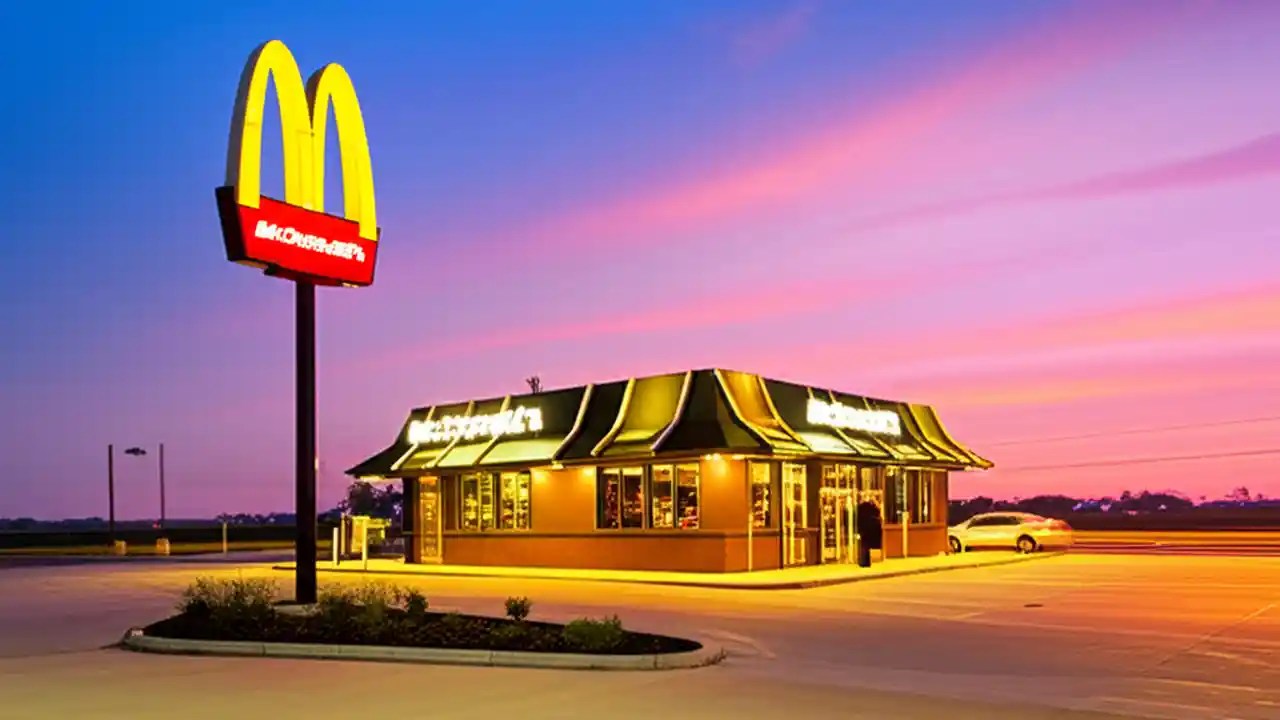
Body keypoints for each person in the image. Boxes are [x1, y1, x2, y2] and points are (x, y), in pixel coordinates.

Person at [856, 499, 882, 567]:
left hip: (863, 529)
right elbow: (877, 513)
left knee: (864, 545)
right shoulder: (872, 509)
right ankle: (866, 562)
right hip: (870, 529)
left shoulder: (860, 508)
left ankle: (863, 562)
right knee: (867, 546)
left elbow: (858, 519)